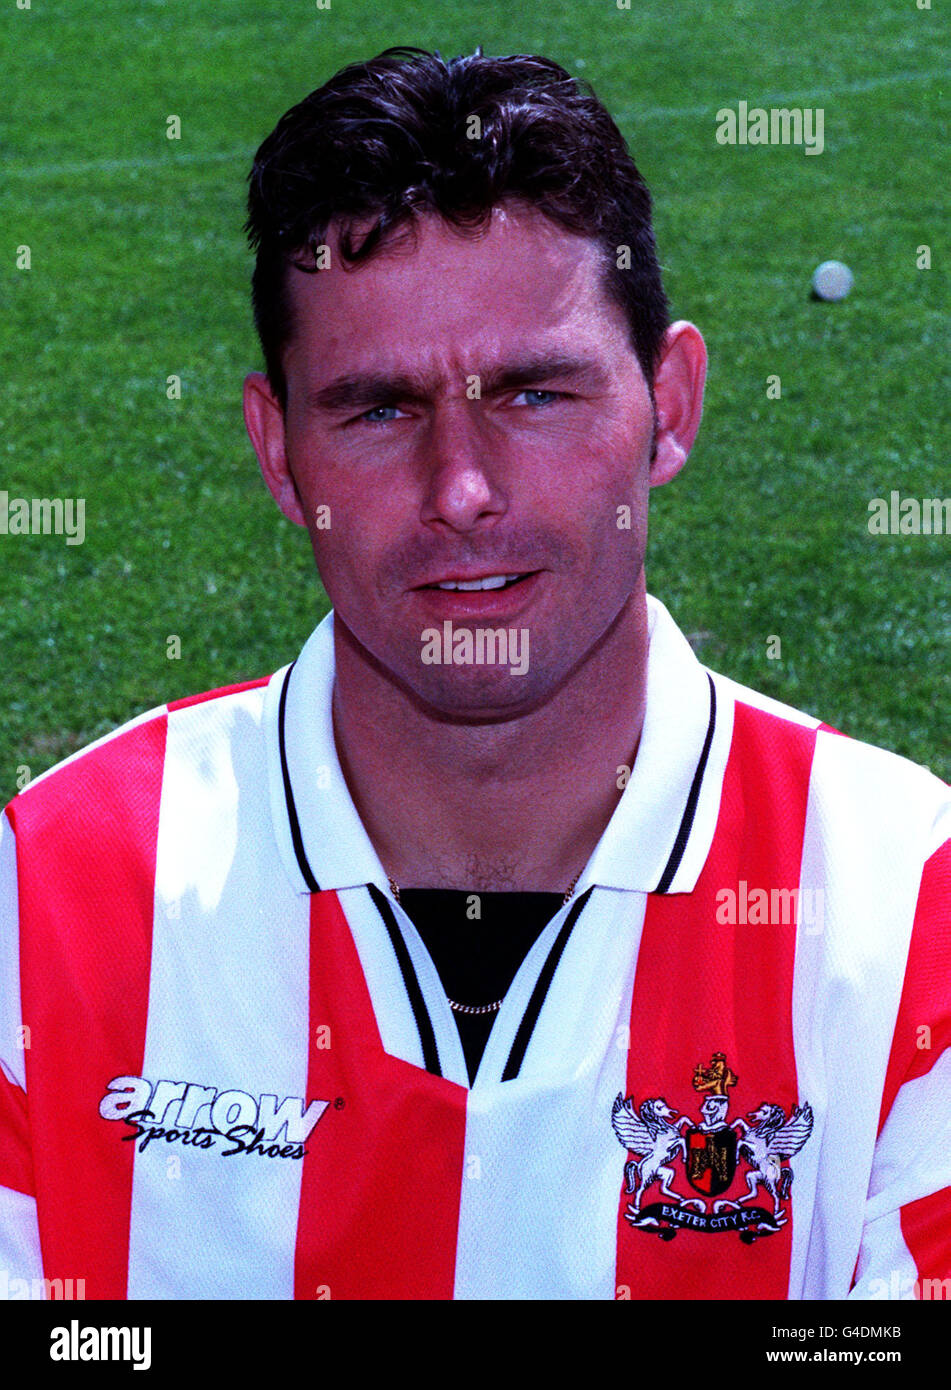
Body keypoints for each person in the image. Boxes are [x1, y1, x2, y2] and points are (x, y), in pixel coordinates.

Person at [0, 46, 947, 1302]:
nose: (461, 489)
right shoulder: (52, 892)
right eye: (379, 409)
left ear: (669, 405)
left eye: (533, 391)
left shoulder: (907, 908)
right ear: (279, 455)